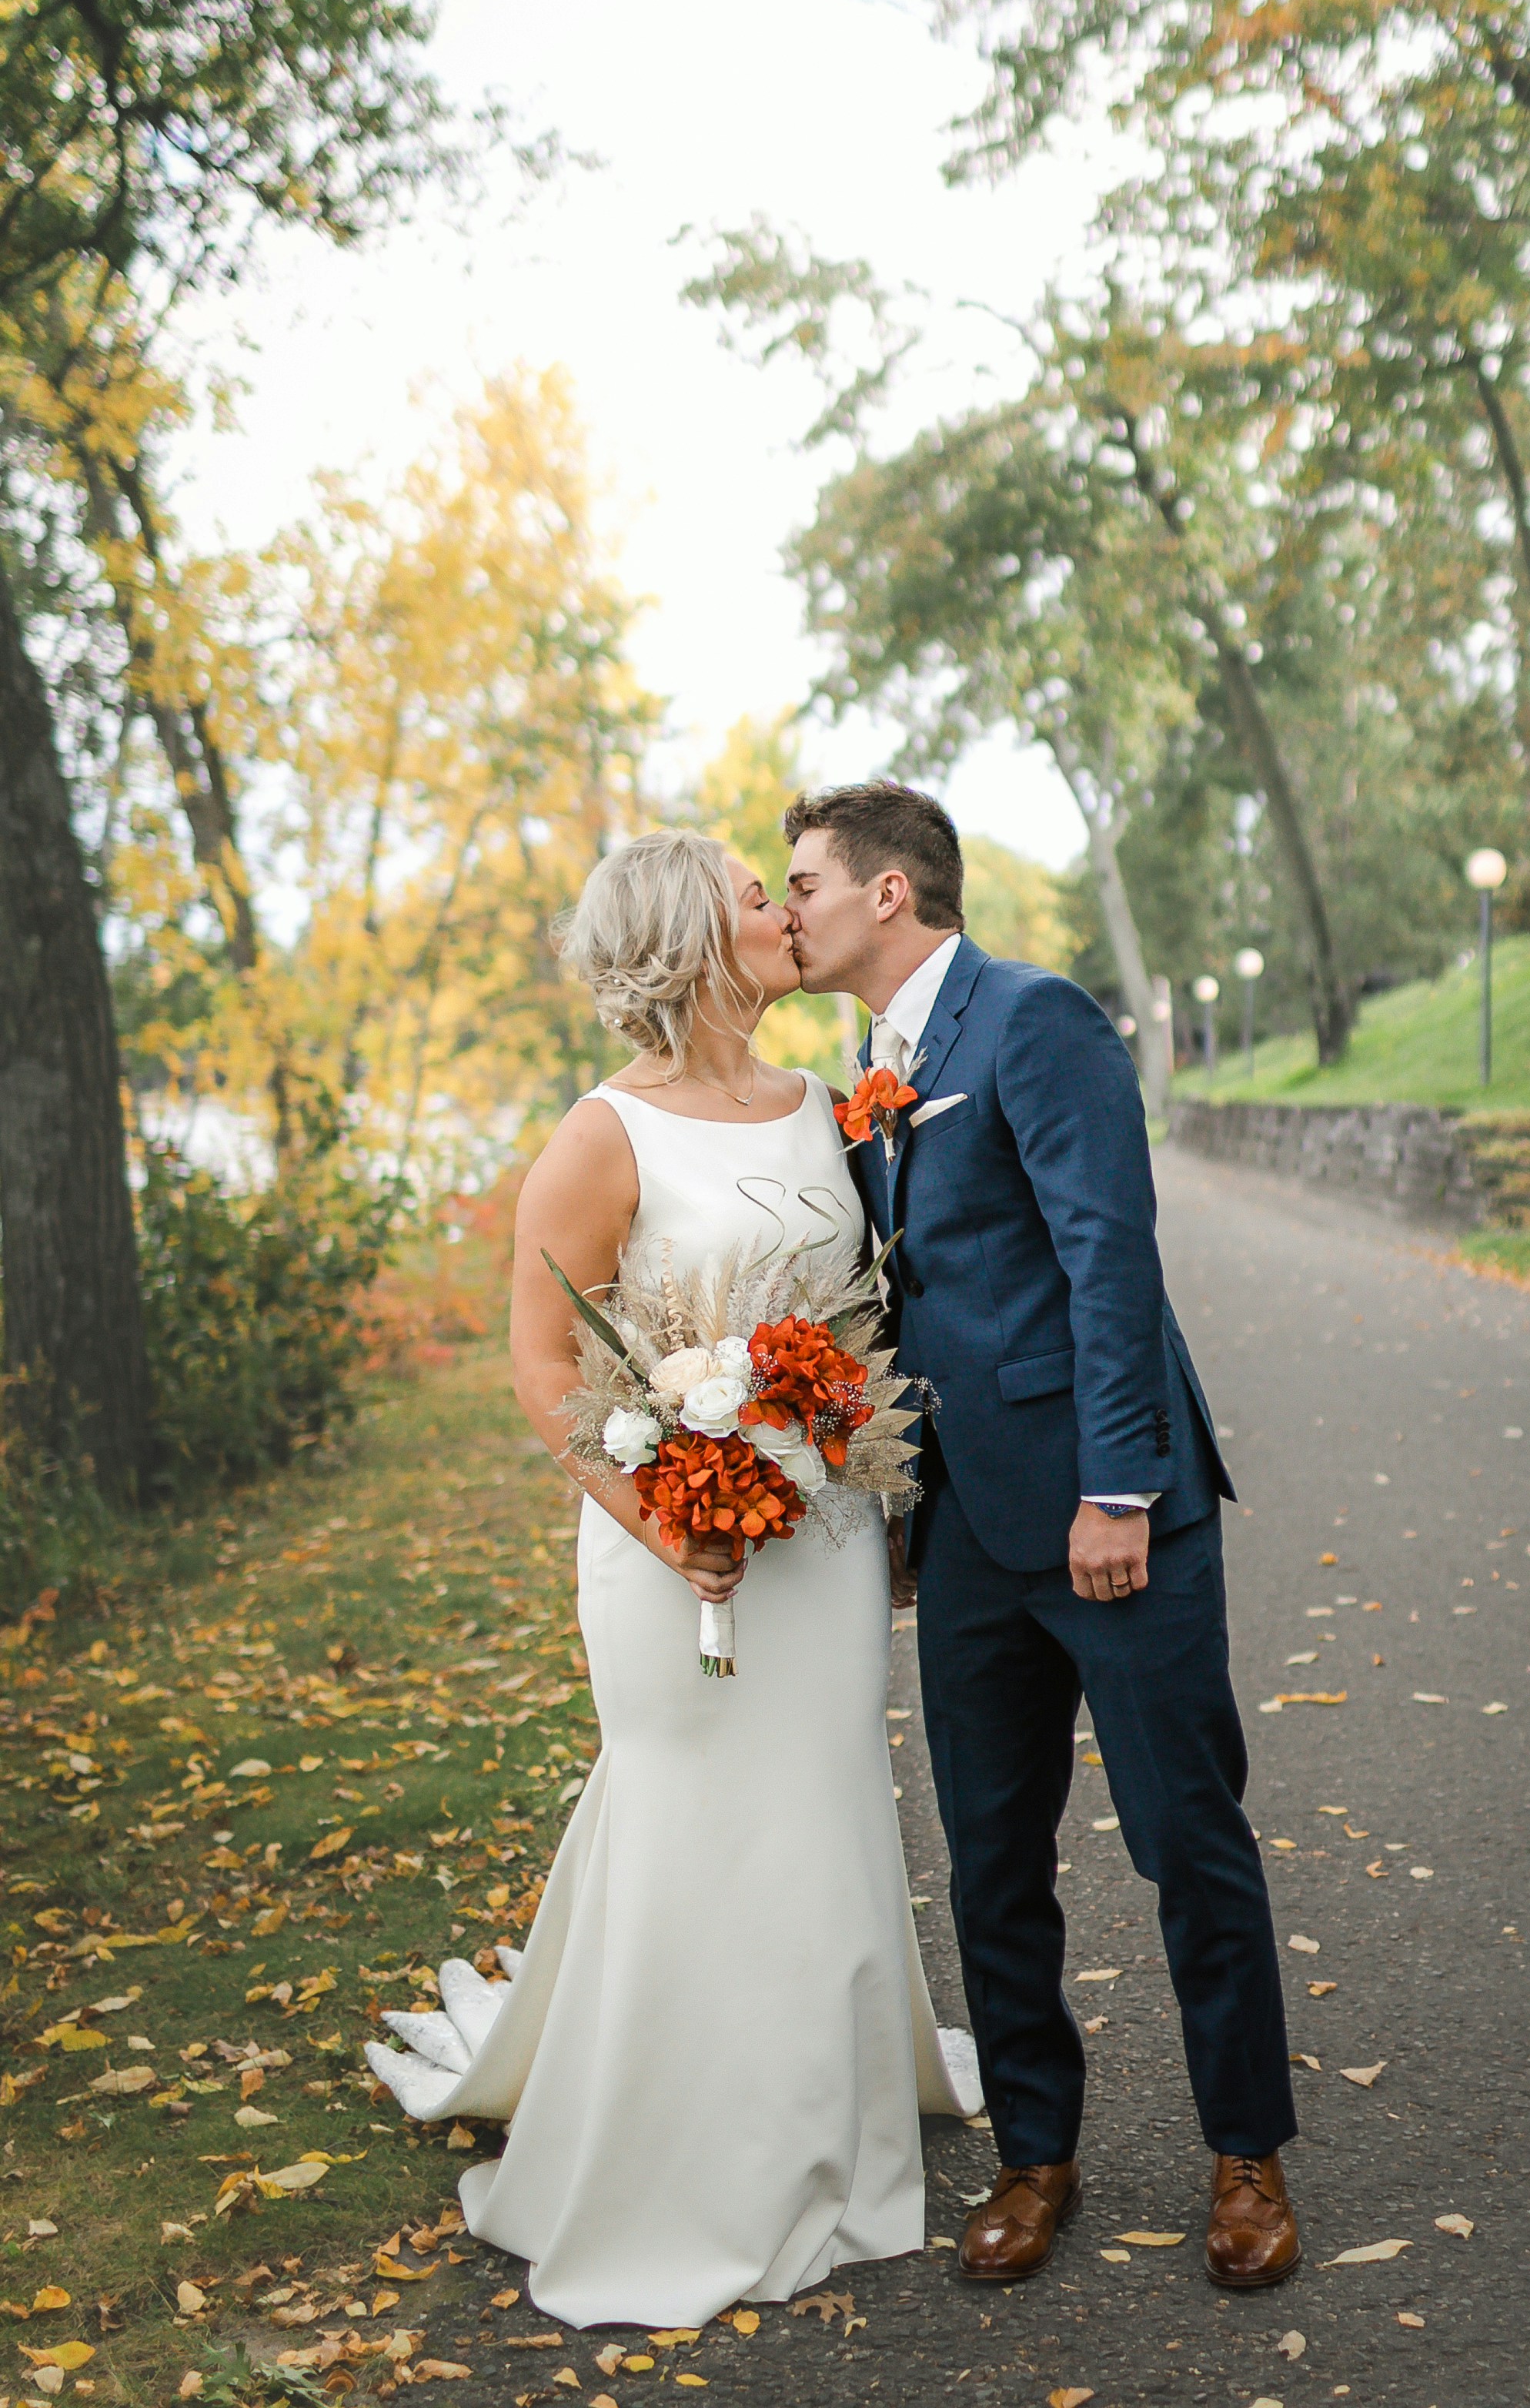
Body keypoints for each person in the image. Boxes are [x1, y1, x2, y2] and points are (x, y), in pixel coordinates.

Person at [364, 828, 978, 2328]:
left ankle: (824, 2126)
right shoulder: (600, 1135)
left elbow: (854, 1314)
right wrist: (661, 1514)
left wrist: (869, 1471)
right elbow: (543, 1358)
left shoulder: (826, 1109)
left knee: (821, 1797)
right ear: (693, 942)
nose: (784, 913)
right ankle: (680, 2161)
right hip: (668, 1541)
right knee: (694, 1808)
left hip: (822, 1535)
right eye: (755, 899)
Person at [783, 781, 1300, 2290]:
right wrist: (888, 1500)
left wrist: (1118, 1487)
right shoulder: (866, 1067)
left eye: (802, 877)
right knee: (990, 1859)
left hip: (1107, 1512)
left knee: (1186, 1840)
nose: (785, 902)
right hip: (961, 1533)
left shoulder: (1033, 1018)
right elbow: (902, 1294)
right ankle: (1035, 2150)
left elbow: (1103, 1247)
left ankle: (1246, 2151)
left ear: (890, 893)